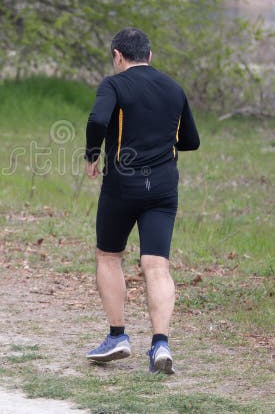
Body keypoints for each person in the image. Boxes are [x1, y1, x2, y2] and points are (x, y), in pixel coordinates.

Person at [84, 27, 199, 374]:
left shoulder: (114, 85)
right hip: (163, 188)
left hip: (123, 185)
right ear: (150, 55)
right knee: (156, 265)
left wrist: (92, 154)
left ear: (118, 56)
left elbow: (97, 119)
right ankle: (160, 344)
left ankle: (118, 335)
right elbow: (190, 140)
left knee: (108, 255)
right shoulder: (174, 89)